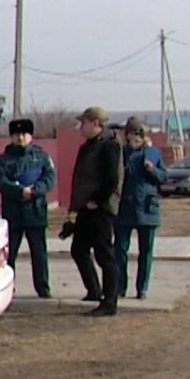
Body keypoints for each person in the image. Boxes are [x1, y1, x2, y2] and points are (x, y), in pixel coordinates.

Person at [66, 106, 123, 317]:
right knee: (78, 249)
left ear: (96, 123)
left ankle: (110, 301)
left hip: (100, 209)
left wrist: (97, 200)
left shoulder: (108, 146)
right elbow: (80, 180)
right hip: (85, 208)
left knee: (105, 255)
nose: (81, 127)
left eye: (84, 123)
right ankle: (94, 290)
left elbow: (111, 180)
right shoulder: (88, 146)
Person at [0, 118, 57, 298]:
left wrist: (35, 190)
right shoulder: (3, 159)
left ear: (31, 136)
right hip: (13, 213)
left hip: (36, 212)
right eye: (16, 134)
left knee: (39, 254)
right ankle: (7, 289)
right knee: (9, 255)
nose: (20, 138)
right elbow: (1, 181)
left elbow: (49, 179)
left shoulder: (41, 157)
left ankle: (43, 288)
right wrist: (20, 191)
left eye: (24, 134)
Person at [113, 117, 166, 301]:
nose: (135, 138)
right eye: (132, 134)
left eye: (139, 135)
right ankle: (120, 286)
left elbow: (163, 177)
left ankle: (142, 288)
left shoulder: (152, 153)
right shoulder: (121, 154)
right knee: (119, 248)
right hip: (125, 207)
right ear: (127, 135)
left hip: (147, 207)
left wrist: (152, 169)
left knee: (146, 251)